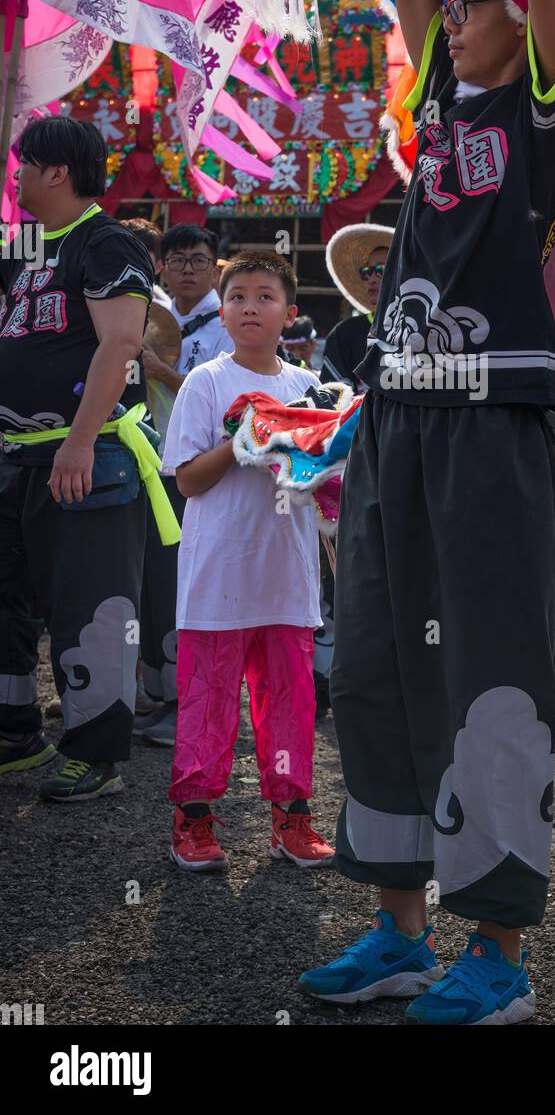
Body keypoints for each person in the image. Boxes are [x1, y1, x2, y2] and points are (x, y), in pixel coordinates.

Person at [298, 0, 555, 1025]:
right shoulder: (429, 102)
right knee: (376, 663)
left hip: (493, 417)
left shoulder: (550, 112)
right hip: (401, 415)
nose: (461, 11)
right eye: (462, 3)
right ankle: (401, 931)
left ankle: (501, 960)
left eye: (486, 2)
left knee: (487, 668)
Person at [0, 116, 155, 801]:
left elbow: (119, 345)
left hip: (86, 457)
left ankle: (94, 754)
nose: (17, 175)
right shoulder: (23, 241)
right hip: (15, 457)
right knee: (7, 602)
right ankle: (14, 733)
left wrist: (81, 440)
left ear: (55, 171)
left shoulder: (106, 241)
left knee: (86, 606)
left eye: (23, 163)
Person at [162, 249, 333, 871]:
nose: (249, 307)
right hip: (217, 577)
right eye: (237, 297)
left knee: (289, 700)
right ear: (223, 309)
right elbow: (187, 481)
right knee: (207, 701)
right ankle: (195, 821)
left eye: (264, 296)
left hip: (286, 576)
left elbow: (321, 478)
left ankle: (291, 819)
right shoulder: (206, 382)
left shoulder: (307, 388)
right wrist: (243, 441)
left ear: (290, 313)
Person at [134, 225, 233, 748]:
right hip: (155, 463)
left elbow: (226, 397)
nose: (188, 268)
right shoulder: (152, 315)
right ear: (163, 268)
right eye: (178, 260)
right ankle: (158, 692)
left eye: (198, 260)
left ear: (215, 268)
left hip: (204, 471)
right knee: (155, 582)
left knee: (191, 587)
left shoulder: (225, 322)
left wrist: (161, 370)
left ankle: (191, 706)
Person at [321, 224, 394, 391]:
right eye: (367, 271)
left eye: (381, 270)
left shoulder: (428, 333)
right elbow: (336, 400)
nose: (372, 279)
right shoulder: (345, 334)